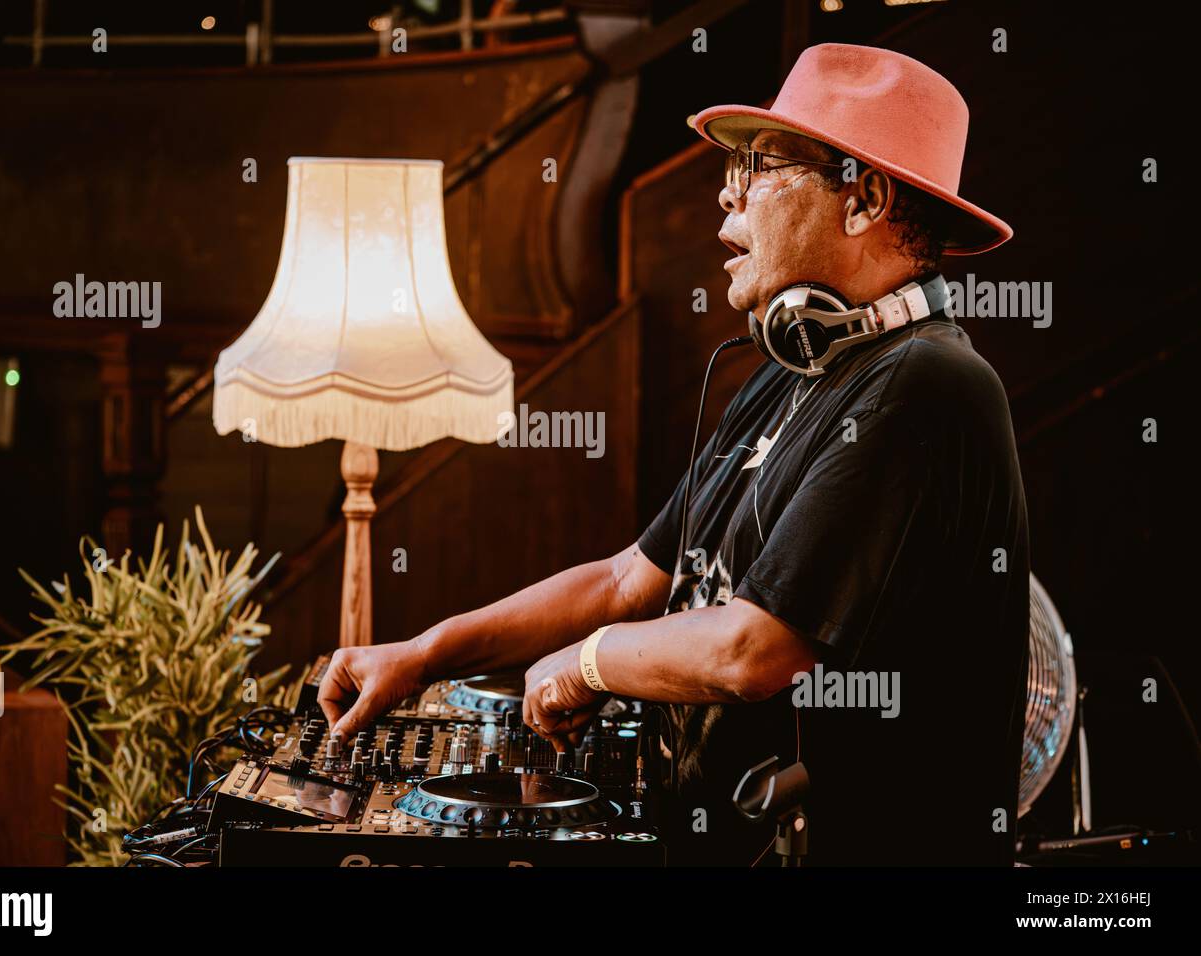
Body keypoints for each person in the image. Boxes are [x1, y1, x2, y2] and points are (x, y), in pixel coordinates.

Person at [318, 43, 1030, 866]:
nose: (726, 190)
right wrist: (422, 653)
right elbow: (629, 580)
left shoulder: (932, 386)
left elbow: (753, 650)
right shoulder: (794, 370)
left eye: (761, 164)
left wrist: (589, 665)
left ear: (863, 198)